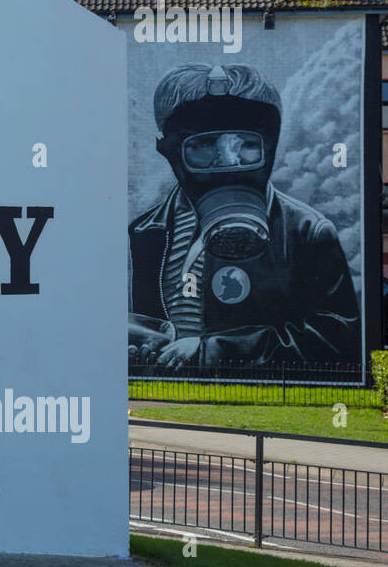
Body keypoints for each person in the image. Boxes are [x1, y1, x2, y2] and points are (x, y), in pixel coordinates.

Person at [128, 63, 359, 372]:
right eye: (205, 145)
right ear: (167, 150)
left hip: (246, 398)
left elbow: (336, 339)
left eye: (247, 145)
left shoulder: (307, 232)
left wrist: (213, 352)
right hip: (167, 395)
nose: (228, 162)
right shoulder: (146, 231)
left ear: (271, 145)